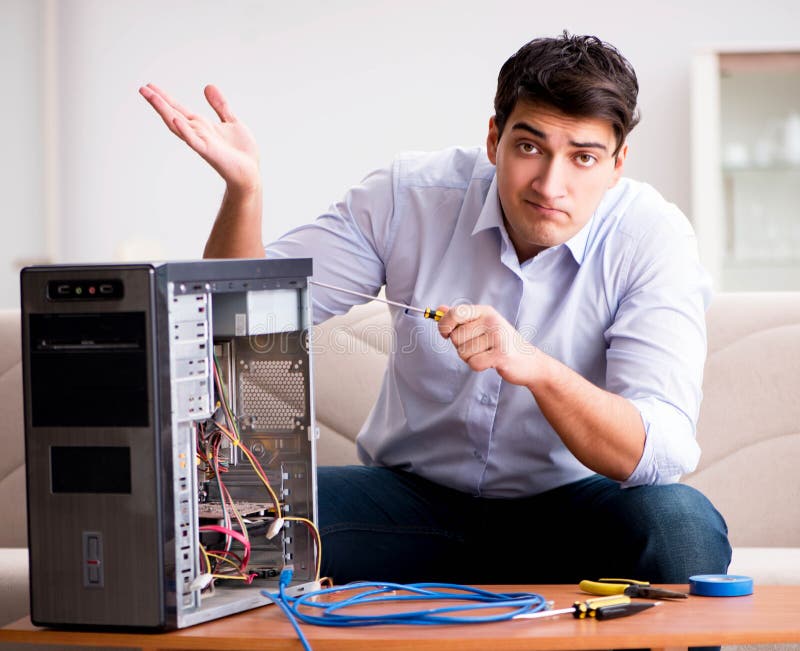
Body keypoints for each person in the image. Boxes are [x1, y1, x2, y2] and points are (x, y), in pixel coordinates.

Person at [141, 32, 731, 587]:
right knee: (228, 520)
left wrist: (537, 367)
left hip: (576, 510)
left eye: (583, 157)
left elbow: (661, 451)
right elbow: (239, 321)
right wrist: (244, 192)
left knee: (679, 525)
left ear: (617, 162)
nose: (551, 185)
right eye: (530, 147)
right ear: (495, 138)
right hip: (411, 506)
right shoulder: (410, 196)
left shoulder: (651, 238)